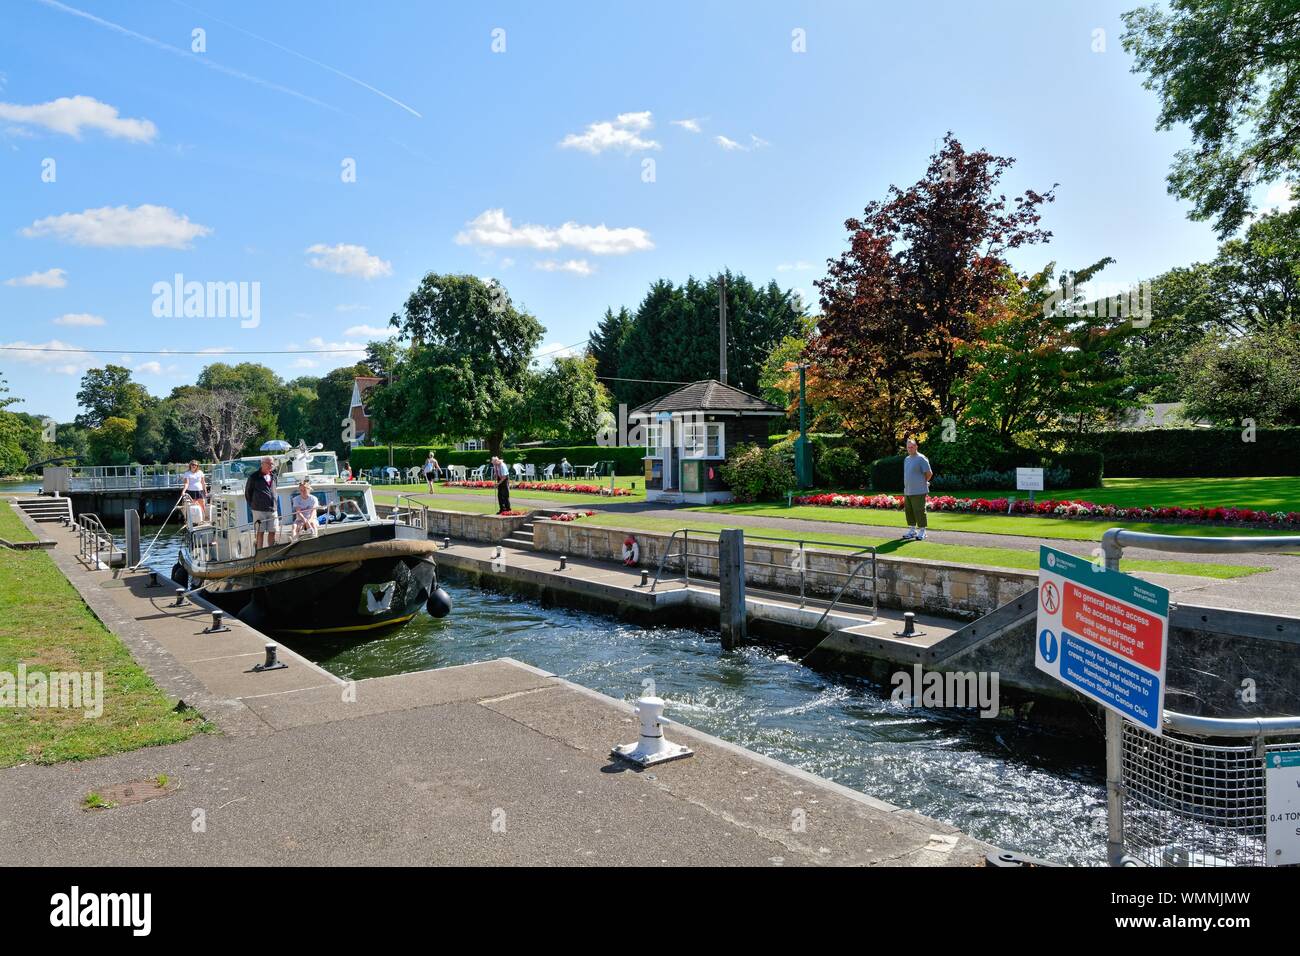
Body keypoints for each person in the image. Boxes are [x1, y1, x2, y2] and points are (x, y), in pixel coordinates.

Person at [901, 437, 934, 541]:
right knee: (909, 511)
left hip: (919, 490)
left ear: (916, 447)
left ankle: (923, 531)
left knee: (919, 510)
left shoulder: (921, 458)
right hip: (908, 490)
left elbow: (929, 473)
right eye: (908, 447)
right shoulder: (906, 459)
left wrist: (923, 482)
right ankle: (912, 530)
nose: (910, 449)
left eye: (912, 447)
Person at [244, 455, 279, 549]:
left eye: (272, 463)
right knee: (260, 532)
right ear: (262, 464)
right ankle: (260, 551)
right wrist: (253, 505)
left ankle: (271, 550)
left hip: (273, 509)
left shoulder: (273, 476)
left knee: (273, 530)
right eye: (268, 463)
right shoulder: (254, 477)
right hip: (259, 509)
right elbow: (248, 493)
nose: (271, 465)